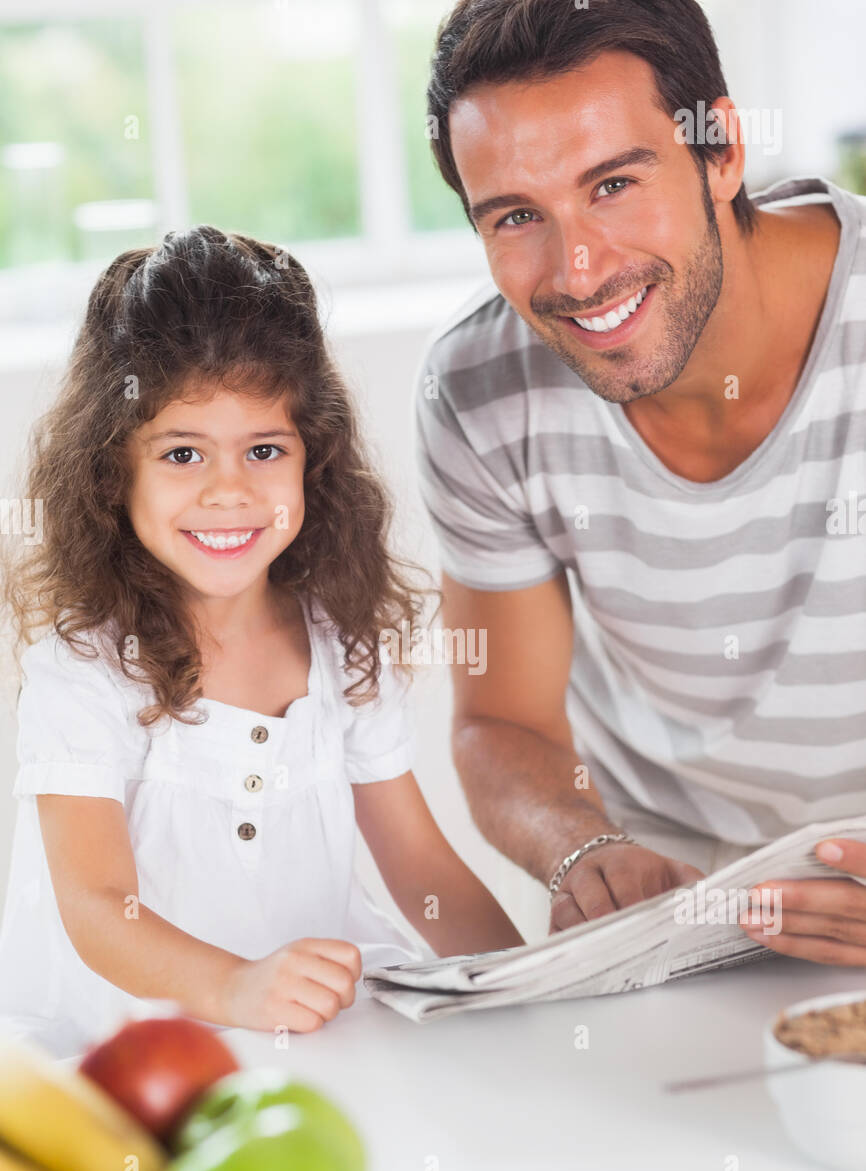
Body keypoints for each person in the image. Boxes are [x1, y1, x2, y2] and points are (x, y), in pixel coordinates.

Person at [415, 0, 866, 964]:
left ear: (722, 151)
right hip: (677, 926)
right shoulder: (477, 392)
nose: (579, 271)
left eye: (614, 184)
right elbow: (500, 724)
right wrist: (583, 850)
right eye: (518, 217)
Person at [0, 225, 521, 1057]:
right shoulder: (86, 670)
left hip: (319, 1038)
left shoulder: (341, 644)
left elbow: (422, 869)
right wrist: (236, 986)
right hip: (134, 1054)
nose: (229, 492)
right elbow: (98, 905)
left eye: (264, 449)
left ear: (313, 460)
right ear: (111, 474)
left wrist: (523, 988)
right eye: (182, 453)